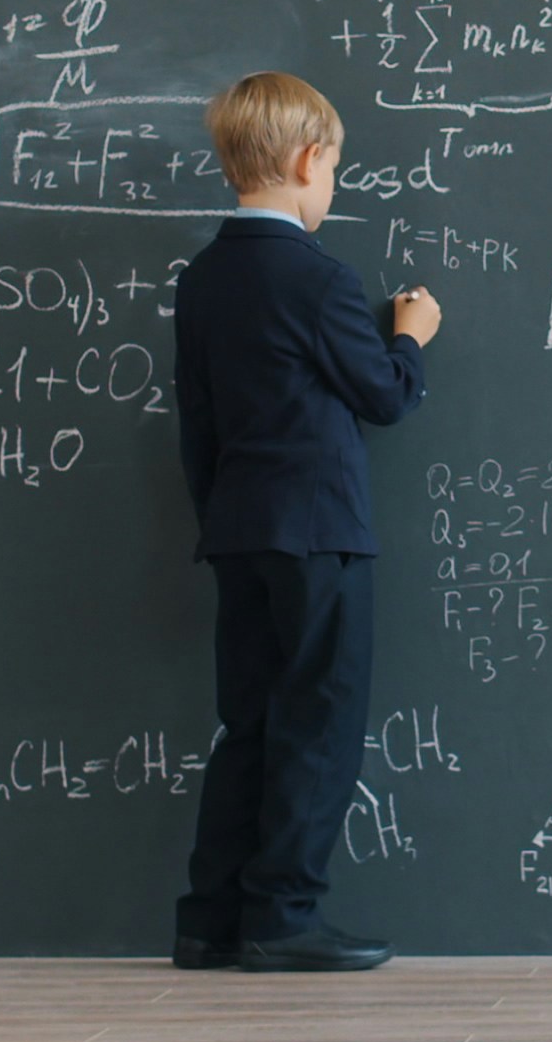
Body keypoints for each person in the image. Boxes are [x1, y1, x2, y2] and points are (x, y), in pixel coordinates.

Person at [169, 72, 439, 974]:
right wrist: (411, 334)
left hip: (239, 530)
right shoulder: (318, 279)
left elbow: (197, 423)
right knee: (318, 720)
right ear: (306, 160)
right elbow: (385, 396)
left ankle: (209, 920)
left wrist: (221, 519)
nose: (331, 186)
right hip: (321, 533)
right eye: (334, 171)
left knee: (247, 723)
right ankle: (282, 918)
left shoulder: (203, 280)